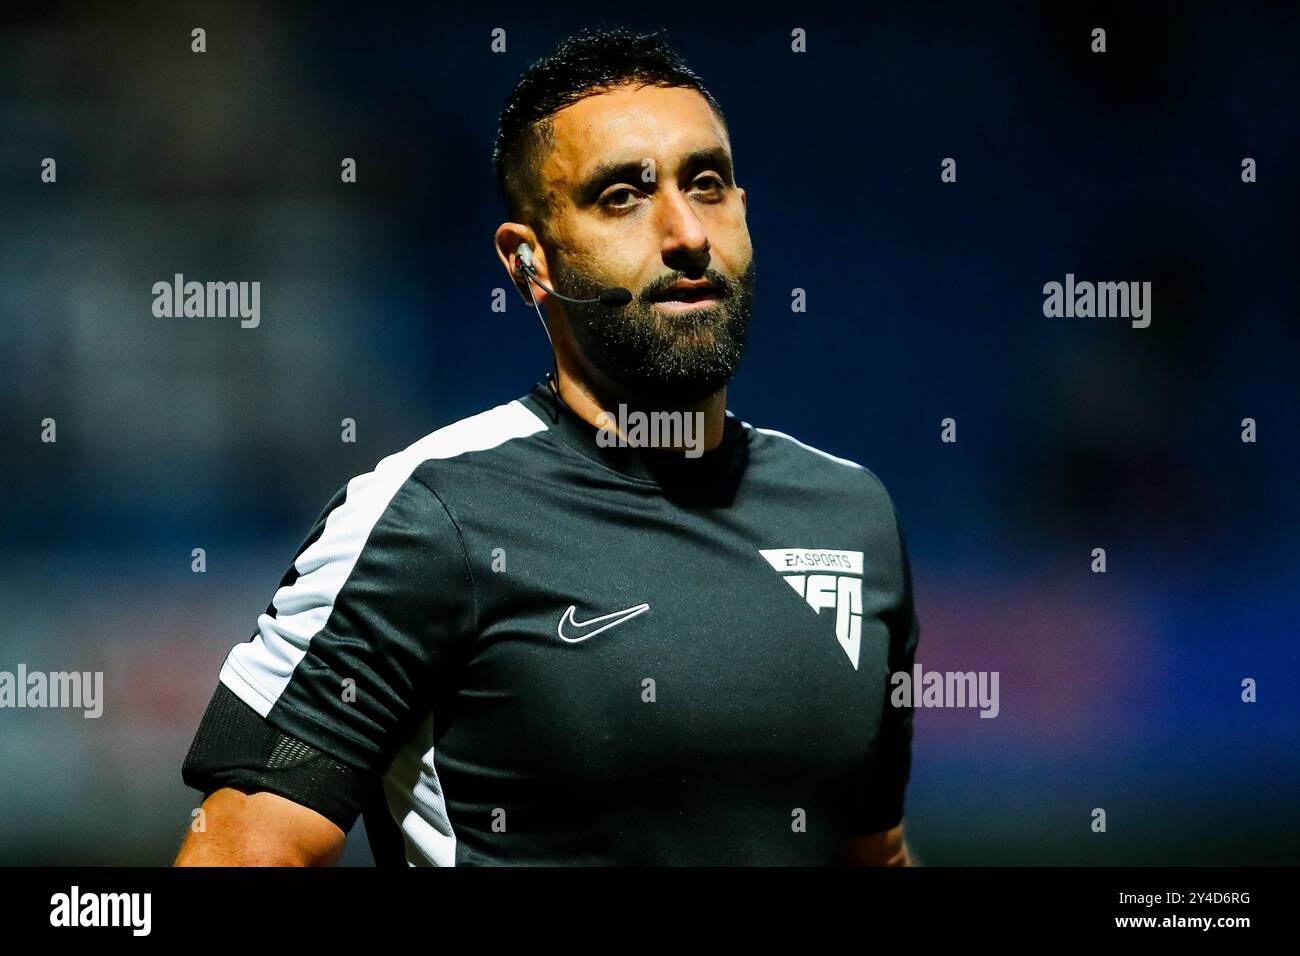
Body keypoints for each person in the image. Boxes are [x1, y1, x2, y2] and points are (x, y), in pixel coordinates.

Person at [174, 26, 919, 867]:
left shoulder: (854, 516)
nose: (685, 233)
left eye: (707, 184)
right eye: (621, 197)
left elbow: (875, 855)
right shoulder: (427, 520)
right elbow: (236, 855)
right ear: (528, 264)